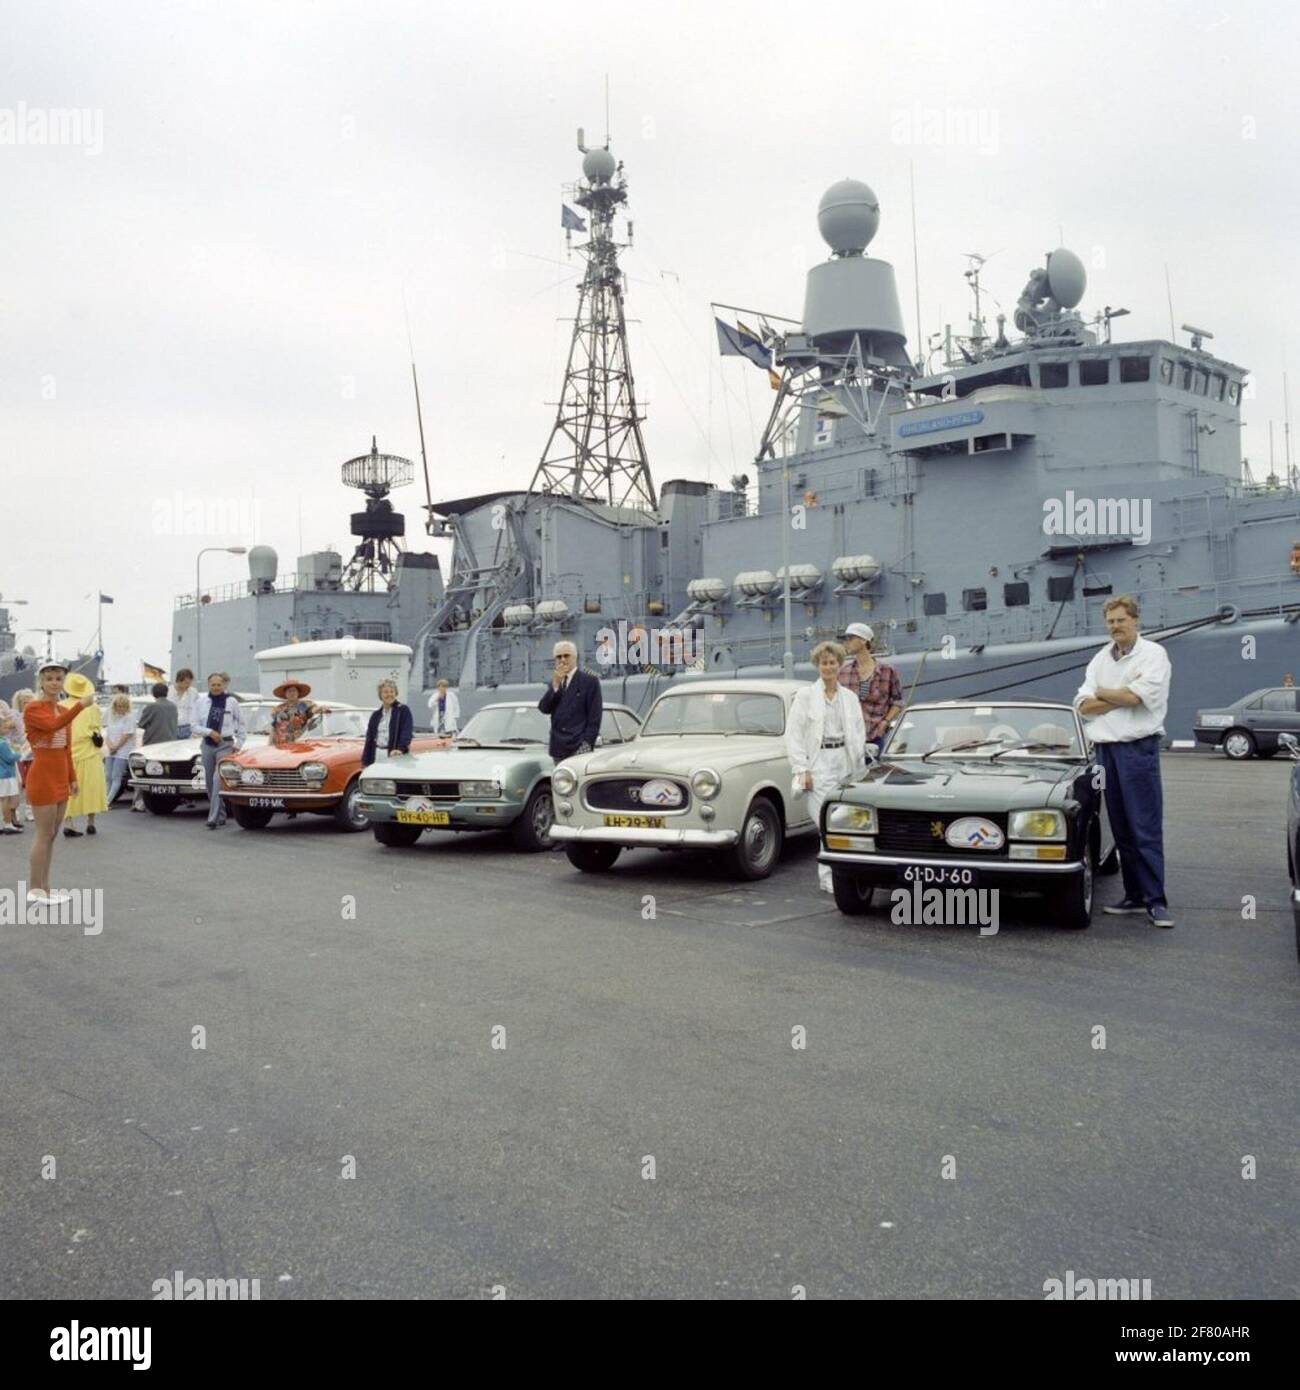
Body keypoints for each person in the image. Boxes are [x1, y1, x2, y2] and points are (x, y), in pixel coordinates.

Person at [1075, 595, 1174, 929]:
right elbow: (1082, 706)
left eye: (1121, 620)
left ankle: (1155, 901)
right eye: (1110, 621)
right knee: (1120, 828)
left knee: (1144, 827)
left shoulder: (1154, 655)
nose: (1115, 626)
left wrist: (1103, 694)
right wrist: (1117, 696)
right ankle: (1133, 895)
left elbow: (1138, 698)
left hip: (1137, 749)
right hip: (1104, 752)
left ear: (1135, 620)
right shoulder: (1100, 658)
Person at [788, 641, 868, 892]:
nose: (828, 667)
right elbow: (794, 734)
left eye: (832, 662)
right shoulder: (805, 697)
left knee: (846, 820)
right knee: (826, 822)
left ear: (839, 665)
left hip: (844, 760)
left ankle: (846, 874)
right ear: (817, 665)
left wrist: (859, 768)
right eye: (824, 663)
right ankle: (828, 877)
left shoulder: (850, 697)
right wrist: (802, 769)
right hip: (819, 762)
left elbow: (858, 732)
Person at [22, 659, 95, 904]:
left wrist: (72, 777)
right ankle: (35, 888)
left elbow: (65, 748)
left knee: (52, 834)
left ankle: (46, 887)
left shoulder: (63, 711)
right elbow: (52, 726)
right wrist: (81, 706)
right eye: (49, 678)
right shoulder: (33, 709)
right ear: (41, 682)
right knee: (43, 834)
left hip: (60, 777)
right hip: (42, 776)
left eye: (58, 678)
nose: (54, 683)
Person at [191, 672, 246, 829]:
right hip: (207, 745)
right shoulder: (201, 702)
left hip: (226, 744)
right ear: (209, 685)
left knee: (217, 780)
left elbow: (241, 723)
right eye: (213, 685)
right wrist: (209, 732)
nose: (216, 687)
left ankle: (212, 818)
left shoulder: (231, 701)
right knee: (209, 782)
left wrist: (239, 744)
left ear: (224, 685)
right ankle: (221, 815)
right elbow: (193, 725)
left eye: (219, 684)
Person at [838, 622, 903, 752]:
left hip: (877, 737)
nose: (847, 642)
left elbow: (898, 701)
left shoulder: (887, 670)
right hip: (850, 740)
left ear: (863, 640)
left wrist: (885, 722)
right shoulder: (843, 672)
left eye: (850, 638)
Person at [62, 673, 109, 836]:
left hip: (68, 751)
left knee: (68, 788)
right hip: (89, 751)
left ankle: (68, 821)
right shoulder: (93, 707)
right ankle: (91, 822)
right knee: (92, 787)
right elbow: (97, 728)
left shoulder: (62, 705)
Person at [538, 640, 602, 758]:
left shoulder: (589, 682)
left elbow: (594, 718)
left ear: (574, 658)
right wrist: (555, 686)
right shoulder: (555, 682)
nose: (562, 659)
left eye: (566, 655)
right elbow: (544, 708)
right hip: (558, 749)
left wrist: (587, 745)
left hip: (579, 749)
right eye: (559, 657)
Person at [132, 682, 179, 811]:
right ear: (166, 692)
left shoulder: (151, 707)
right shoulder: (173, 706)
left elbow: (141, 724)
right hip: (170, 744)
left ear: (153, 693)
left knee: (146, 774)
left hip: (153, 744)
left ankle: (139, 802)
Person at [362, 679, 413, 765]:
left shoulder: (403, 710)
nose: (389, 694)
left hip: (395, 755)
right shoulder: (375, 715)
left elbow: (406, 732)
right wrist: (365, 761)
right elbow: (369, 739)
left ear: (395, 693)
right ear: (380, 695)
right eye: (385, 692)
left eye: (392, 691)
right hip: (377, 754)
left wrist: (400, 749)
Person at [269, 679, 328, 747]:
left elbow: (313, 710)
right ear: (285, 694)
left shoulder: (305, 705)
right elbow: (274, 728)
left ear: (298, 692)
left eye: (294, 690)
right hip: (280, 744)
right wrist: (269, 744)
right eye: (289, 691)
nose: (292, 693)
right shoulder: (278, 709)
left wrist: (320, 709)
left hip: (299, 744)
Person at [103, 692, 136, 806]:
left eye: (123, 706)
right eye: (118, 706)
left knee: (115, 777)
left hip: (122, 751)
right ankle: (103, 800)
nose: (121, 708)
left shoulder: (129, 718)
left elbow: (126, 735)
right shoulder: (111, 716)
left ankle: (107, 801)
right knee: (107, 776)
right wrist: (110, 745)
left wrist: (116, 747)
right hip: (111, 749)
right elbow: (106, 733)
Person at [11, 689, 36, 821]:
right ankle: (15, 812)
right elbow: (8, 735)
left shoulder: (36, 715)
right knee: (18, 784)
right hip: (18, 754)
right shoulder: (14, 716)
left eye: (30, 702)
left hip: (32, 754)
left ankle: (29, 810)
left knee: (31, 783)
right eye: (25, 703)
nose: (27, 705)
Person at [0, 714, 22, 833]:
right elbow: (9, 758)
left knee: (2, 800)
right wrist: (19, 753)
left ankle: (3, 823)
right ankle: (8, 824)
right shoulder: (2, 743)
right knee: (5, 800)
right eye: (4, 728)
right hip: (6, 775)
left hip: (1, 775)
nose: (7, 730)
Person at [171, 668, 197, 738]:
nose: (188, 685)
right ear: (179, 680)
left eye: (190, 682)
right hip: (171, 728)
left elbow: (198, 710)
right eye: (186, 683)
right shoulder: (168, 692)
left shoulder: (193, 692)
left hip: (188, 728)